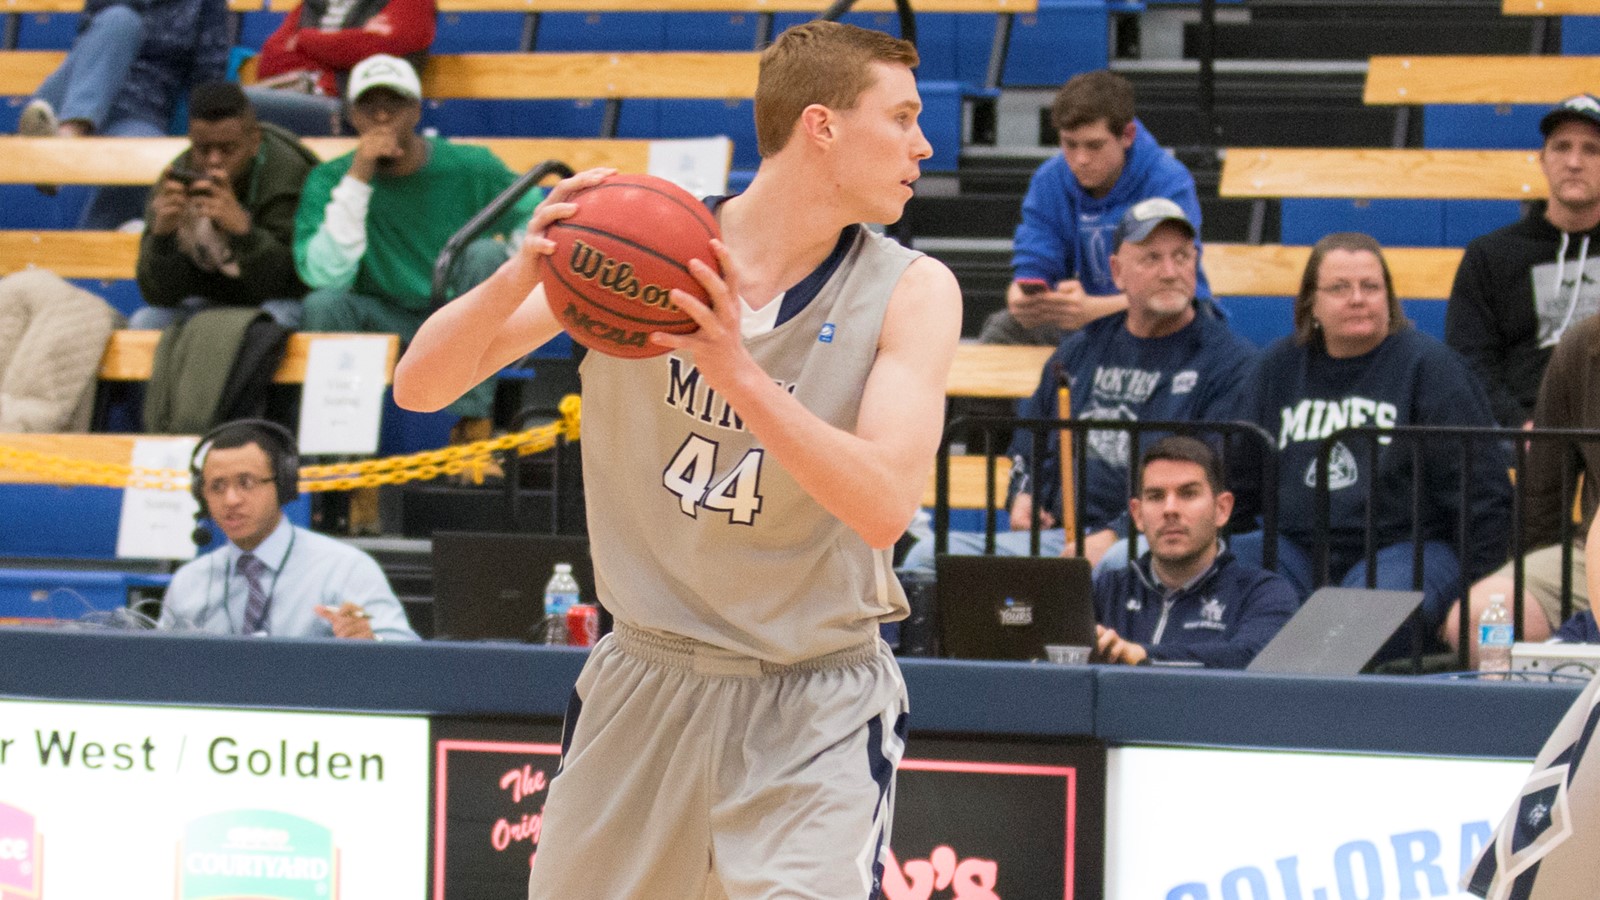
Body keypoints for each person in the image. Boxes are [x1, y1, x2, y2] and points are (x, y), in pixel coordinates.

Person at [392, 21, 961, 898]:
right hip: (645, 677)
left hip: (814, 696)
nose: (924, 144)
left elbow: (885, 504)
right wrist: (524, 270)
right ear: (823, 126)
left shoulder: (914, 290)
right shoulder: (642, 250)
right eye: (903, 117)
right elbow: (420, 389)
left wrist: (733, 370)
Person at [901, 198, 1256, 575]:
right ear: (1117, 273)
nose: (1170, 272)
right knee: (925, 558)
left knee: (1114, 565)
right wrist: (1023, 494)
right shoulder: (1079, 351)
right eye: (1151, 259)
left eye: (1182, 257)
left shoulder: (1229, 362)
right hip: (1058, 538)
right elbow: (1028, 441)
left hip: (1152, 542)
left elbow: (1215, 477)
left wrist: (1115, 535)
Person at [1231, 232, 1511, 663]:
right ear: (1311, 304)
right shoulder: (1275, 369)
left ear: (1389, 298)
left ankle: (1301, 716)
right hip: (1296, 548)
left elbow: (1482, 494)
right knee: (1220, 569)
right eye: (1340, 288)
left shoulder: (1432, 369)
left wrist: (1480, 589)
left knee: (1353, 614)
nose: (1357, 299)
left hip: (1407, 548)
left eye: (1371, 287)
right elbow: (1236, 479)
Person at [293, 53, 538, 437]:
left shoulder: (469, 165)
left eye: (394, 104)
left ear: (416, 110)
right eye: (369, 106)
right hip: (382, 314)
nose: (382, 117)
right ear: (352, 115)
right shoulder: (329, 179)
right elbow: (326, 274)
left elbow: (534, 214)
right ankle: (342, 472)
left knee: (487, 255)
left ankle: (472, 427)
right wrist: (359, 176)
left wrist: (518, 286)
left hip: (456, 312)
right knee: (323, 304)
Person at [982, 70, 1211, 347]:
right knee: (1003, 329)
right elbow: (1036, 259)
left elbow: (1174, 286)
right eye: (1069, 144)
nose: (1081, 159)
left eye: (1094, 145)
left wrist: (1092, 310)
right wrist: (1023, 296)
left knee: (1172, 319)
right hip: (1086, 321)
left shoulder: (1167, 180)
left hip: (1163, 313)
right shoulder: (1049, 180)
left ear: (1127, 135)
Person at [157, 419, 419, 640]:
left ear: (282, 486)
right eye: (217, 486)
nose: (231, 500)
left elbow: (409, 659)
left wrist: (373, 642)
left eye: (246, 483)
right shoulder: (189, 583)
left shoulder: (345, 569)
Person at [1445, 310, 1600, 664]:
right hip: (1594, 551)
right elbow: (1542, 490)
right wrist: (1527, 565)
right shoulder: (1583, 345)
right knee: (1479, 617)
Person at [1446, 93, 1600, 429]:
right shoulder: (1490, 255)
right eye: (1562, 147)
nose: (1574, 162)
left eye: (1592, 150)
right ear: (1542, 160)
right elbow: (1470, 361)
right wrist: (1520, 425)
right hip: (1524, 429)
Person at [17, 0, 231, 227]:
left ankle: (92, 248)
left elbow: (208, 75)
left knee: (148, 159)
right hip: (73, 93)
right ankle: (69, 133)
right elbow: (92, 37)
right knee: (121, 20)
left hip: (139, 110)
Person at [1092, 436, 1298, 669]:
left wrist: (1141, 655)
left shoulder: (1262, 593)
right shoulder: (1105, 591)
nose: (1170, 509)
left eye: (1188, 494)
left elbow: (1249, 656)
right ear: (1137, 515)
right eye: (1156, 496)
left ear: (1222, 509)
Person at [131, 82, 317, 330]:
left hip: (277, 302)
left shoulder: (286, 177)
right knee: (146, 322)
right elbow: (159, 296)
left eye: (228, 149)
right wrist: (162, 238)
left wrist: (244, 233)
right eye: (203, 149)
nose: (214, 160)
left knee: (272, 323)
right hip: (210, 301)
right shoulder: (176, 180)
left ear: (254, 142)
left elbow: (296, 285)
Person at [249, 0, 436, 136]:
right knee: (235, 109)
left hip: (357, 112)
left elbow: (377, 50)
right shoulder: (317, 3)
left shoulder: (413, 3)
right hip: (296, 95)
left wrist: (303, 40)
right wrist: (343, 49)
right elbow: (271, 62)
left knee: (242, 107)